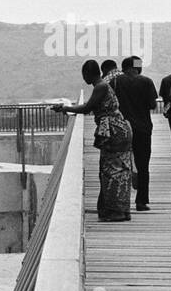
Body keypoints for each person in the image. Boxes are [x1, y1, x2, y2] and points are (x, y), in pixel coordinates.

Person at [52, 59, 133, 221]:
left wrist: (65, 108)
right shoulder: (103, 85)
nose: (83, 78)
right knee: (119, 169)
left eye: (84, 74)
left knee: (111, 171)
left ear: (88, 73)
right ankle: (121, 210)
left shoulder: (101, 87)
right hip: (120, 129)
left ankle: (114, 212)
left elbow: (87, 108)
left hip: (113, 131)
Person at [113, 55, 158, 210]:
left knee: (119, 164)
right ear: (134, 67)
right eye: (139, 66)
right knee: (143, 164)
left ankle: (120, 200)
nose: (140, 69)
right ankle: (141, 201)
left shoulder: (116, 82)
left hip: (122, 128)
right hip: (143, 128)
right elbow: (153, 104)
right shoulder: (146, 81)